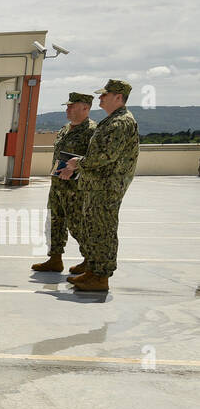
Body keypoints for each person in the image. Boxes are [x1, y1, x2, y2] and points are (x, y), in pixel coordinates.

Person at [59, 79, 138, 292]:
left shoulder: (120, 122)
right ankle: (93, 271)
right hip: (98, 185)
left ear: (118, 97)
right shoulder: (112, 120)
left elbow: (106, 155)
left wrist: (79, 163)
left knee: (104, 230)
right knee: (94, 229)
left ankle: (101, 277)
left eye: (105, 95)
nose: (100, 98)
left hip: (107, 186)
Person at [32, 92, 95, 273]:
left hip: (76, 188)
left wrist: (76, 167)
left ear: (85, 108)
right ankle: (55, 258)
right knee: (54, 222)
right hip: (58, 185)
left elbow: (94, 158)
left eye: (71, 106)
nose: (67, 109)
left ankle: (89, 259)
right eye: (67, 106)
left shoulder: (92, 131)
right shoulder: (65, 129)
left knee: (78, 224)